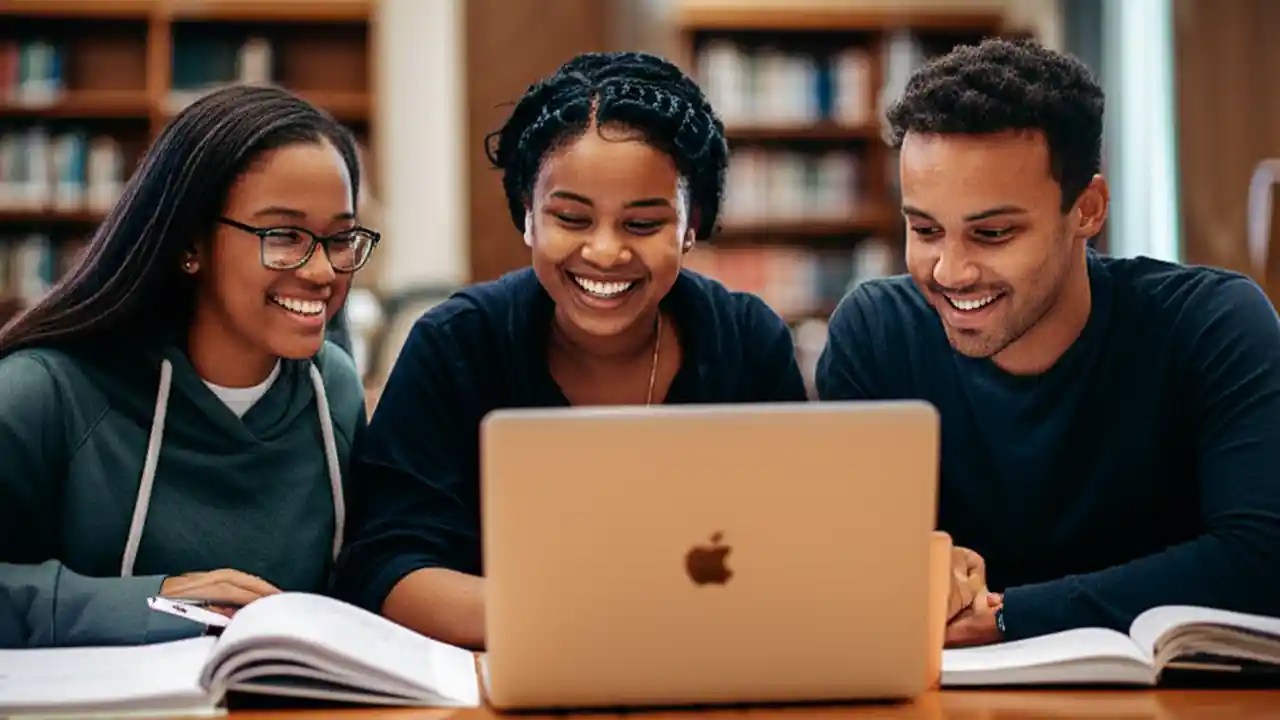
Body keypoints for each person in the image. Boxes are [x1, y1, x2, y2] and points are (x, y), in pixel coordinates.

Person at [331, 51, 819, 649]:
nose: (606, 253)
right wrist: (591, 621)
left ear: (691, 226)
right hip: (506, 674)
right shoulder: (456, 343)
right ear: (528, 216)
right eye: (571, 218)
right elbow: (385, 566)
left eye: (643, 225)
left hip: (713, 668)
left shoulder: (747, 341)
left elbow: (798, 549)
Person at [816, 38, 1280, 647]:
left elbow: (1261, 560)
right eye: (925, 230)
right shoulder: (875, 335)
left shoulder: (1212, 324)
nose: (951, 271)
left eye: (992, 233)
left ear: (1087, 210)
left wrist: (1008, 616)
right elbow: (848, 572)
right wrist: (922, 566)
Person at [0, 85, 376, 648]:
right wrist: (153, 603)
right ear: (190, 244)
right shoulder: (42, 393)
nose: (323, 271)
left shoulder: (335, 391)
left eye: (340, 238)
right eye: (283, 236)